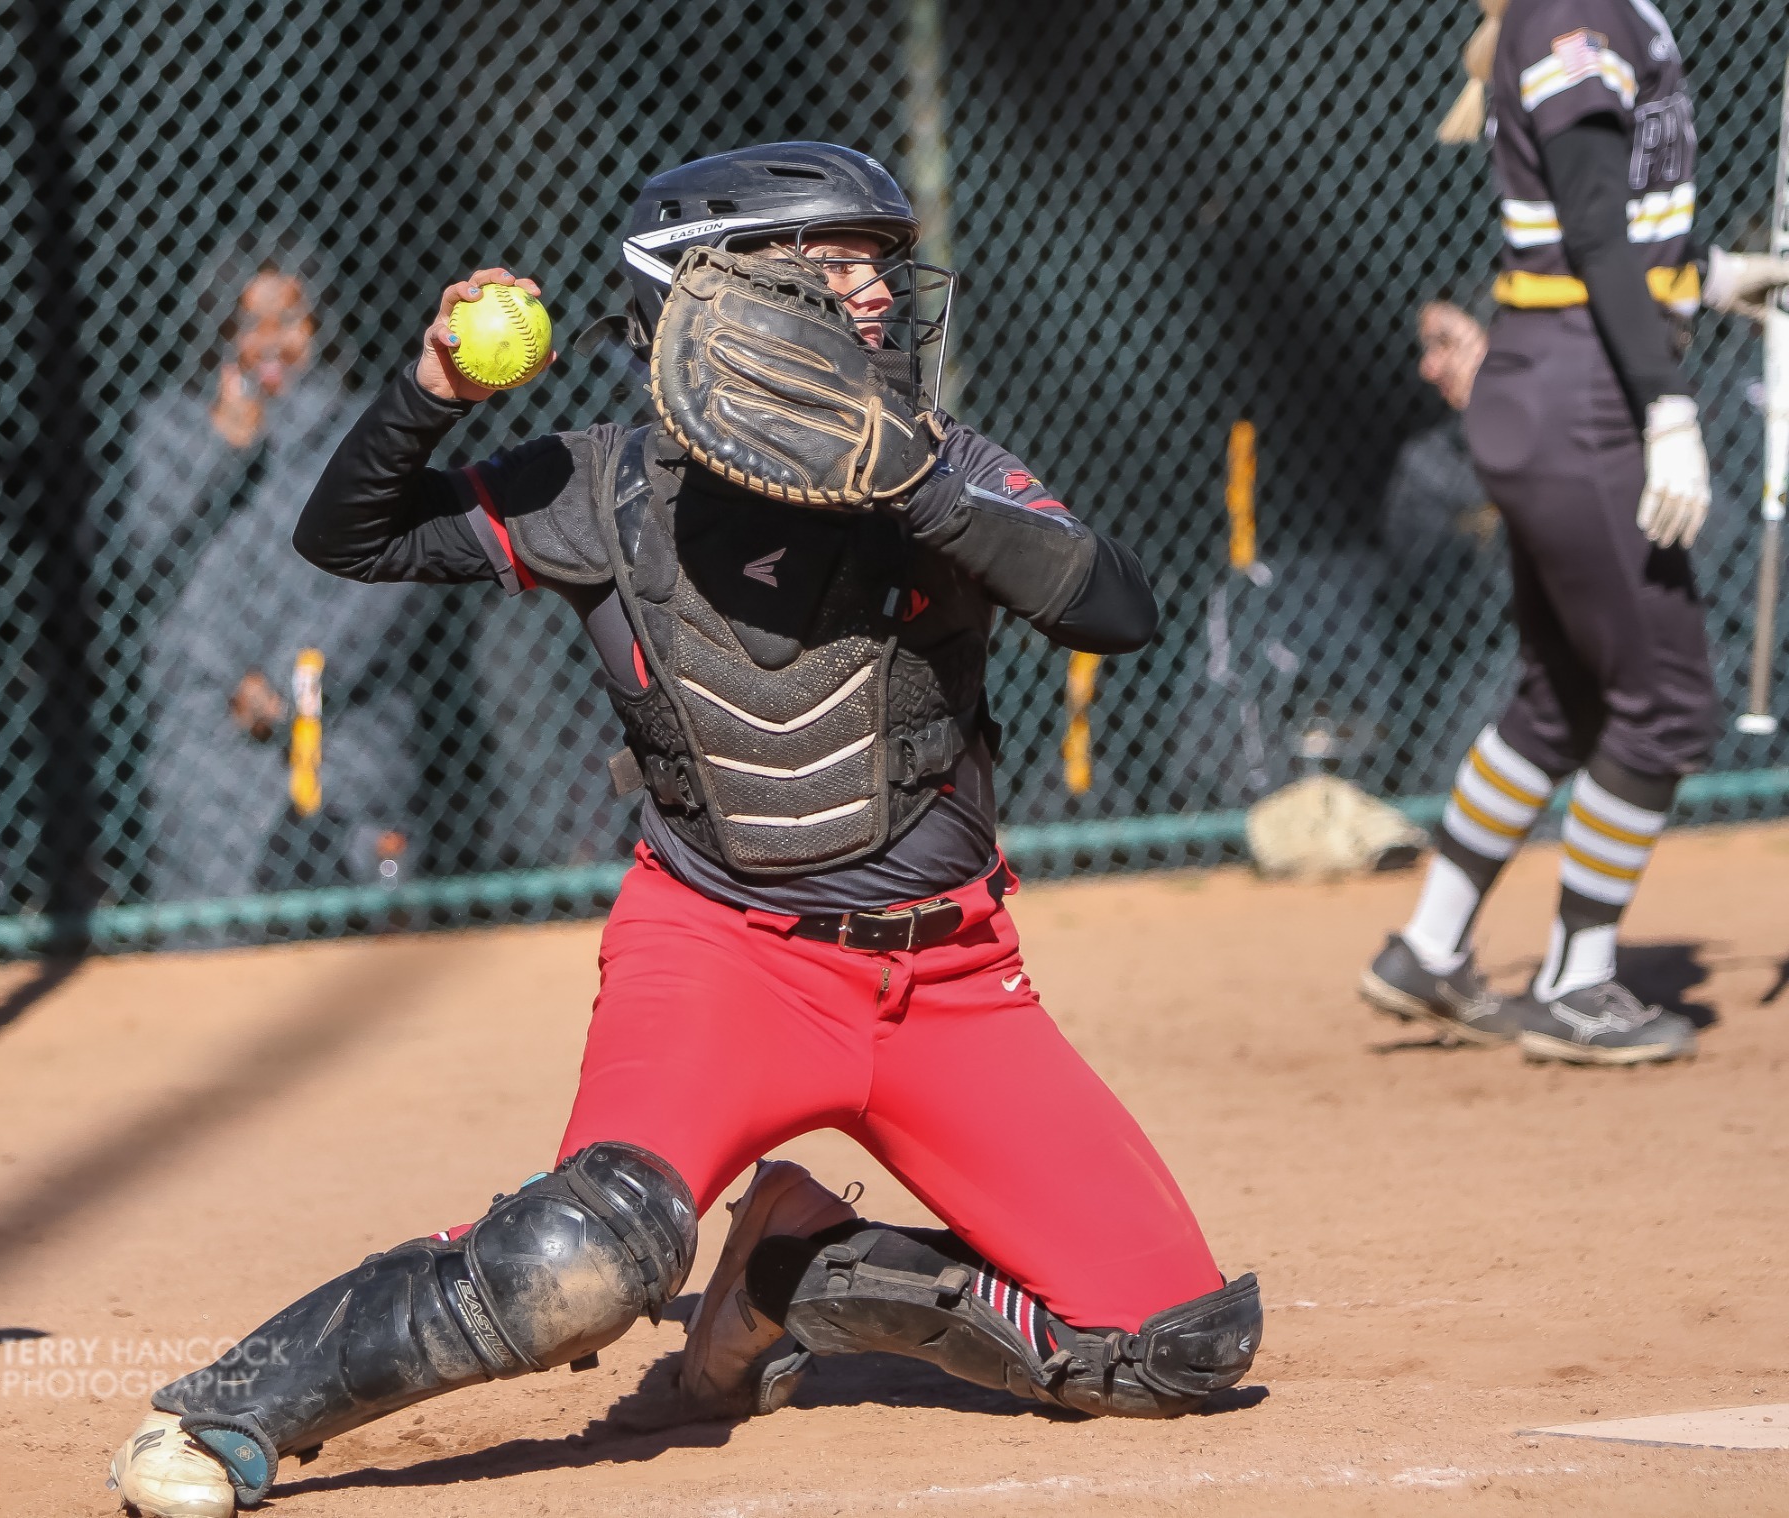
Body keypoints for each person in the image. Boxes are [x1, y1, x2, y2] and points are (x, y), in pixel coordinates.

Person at [105, 143, 1261, 1517]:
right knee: (575, 1261)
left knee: (1175, 1344)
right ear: (709, 298)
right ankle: (226, 1410)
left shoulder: (934, 464)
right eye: (832, 262)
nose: (877, 289)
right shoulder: (607, 486)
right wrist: (432, 391)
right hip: (725, 957)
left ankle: (789, 1266)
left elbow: (1113, 609)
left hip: (949, 981)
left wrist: (917, 486)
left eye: (883, 258)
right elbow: (352, 534)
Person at [1361, 0, 1789, 1064]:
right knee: (1667, 701)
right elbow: (1592, 231)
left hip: (1555, 383)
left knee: (1561, 697)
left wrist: (1712, 278)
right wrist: (1669, 407)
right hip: (1581, 397)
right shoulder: (1575, 11)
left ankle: (1428, 947)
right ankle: (1576, 981)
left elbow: (1594, 227)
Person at [126, 264, 421, 906]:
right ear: (215, 331)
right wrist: (218, 450)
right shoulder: (170, 431)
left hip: (343, 721)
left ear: (321, 328)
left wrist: (296, 683)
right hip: (210, 729)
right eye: (246, 322)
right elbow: (143, 572)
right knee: (215, 933)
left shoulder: (361, 429)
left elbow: (384, 581)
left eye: (289, 320)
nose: (268, 341)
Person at [1378, 294, 1499, 574]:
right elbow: (1415, 568)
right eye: (1427, 348)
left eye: (1445, 342)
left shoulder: (1566, 429)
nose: (1428, 368)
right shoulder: (1427, 461)